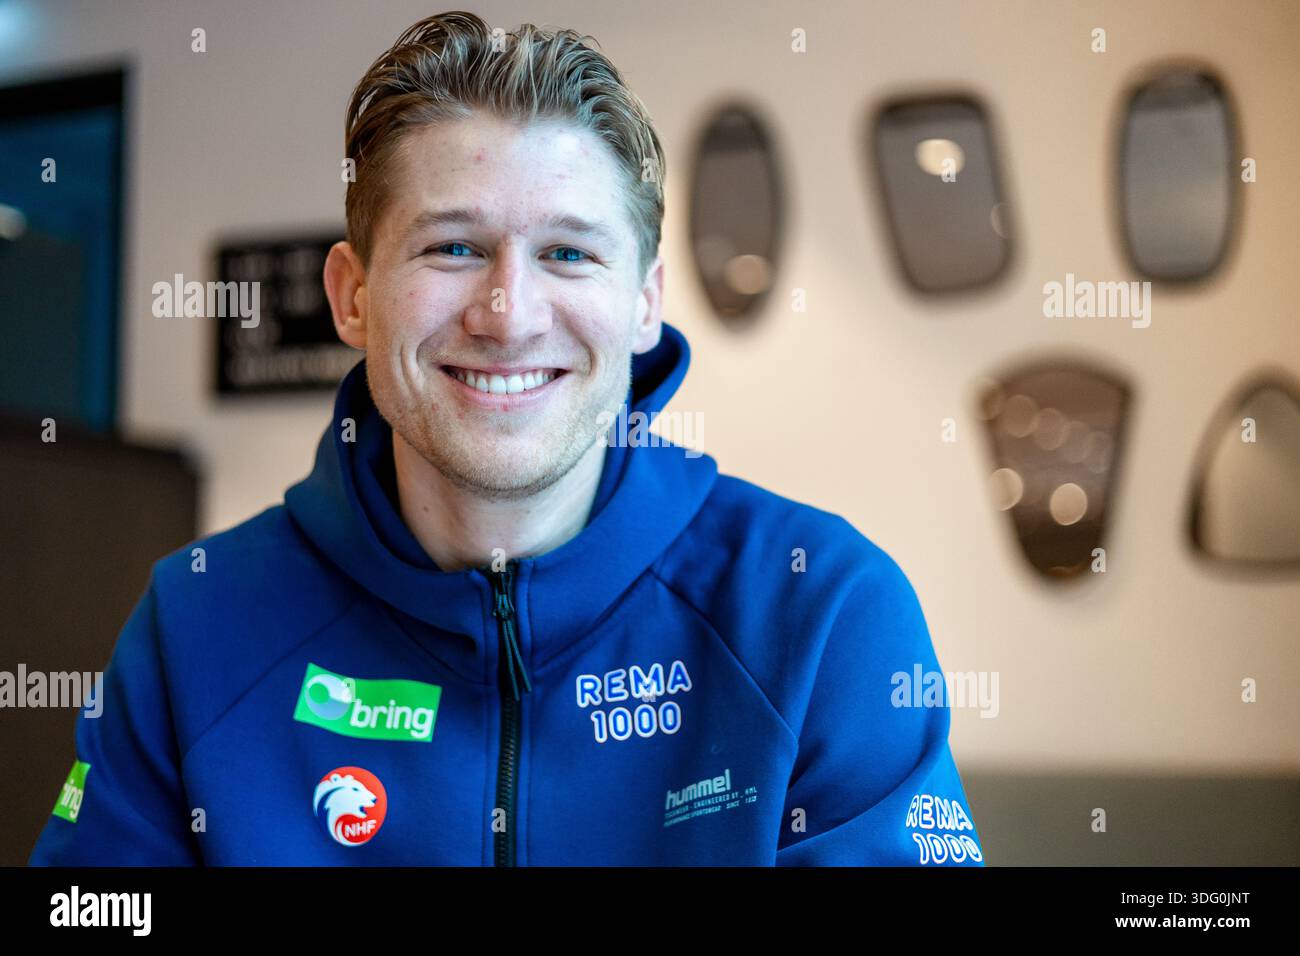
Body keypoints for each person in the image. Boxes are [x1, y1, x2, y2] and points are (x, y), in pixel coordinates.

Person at [30, 10, 983, 866]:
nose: (508, 313)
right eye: (453, 246)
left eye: (568, 253)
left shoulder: (821, 610)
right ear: (352, 296)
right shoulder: (196, 628)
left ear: (645, 303)